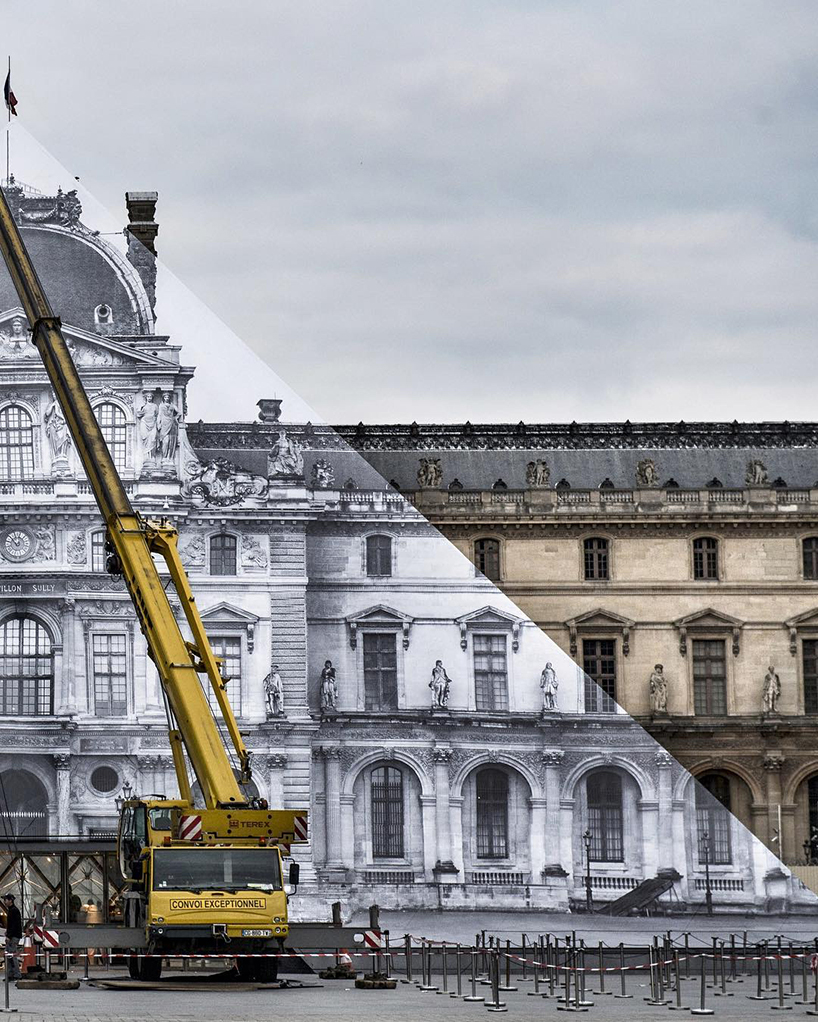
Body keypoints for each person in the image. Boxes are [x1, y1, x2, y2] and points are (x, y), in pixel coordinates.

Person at [2, 894, 22, 980]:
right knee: (9, 955)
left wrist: (9, 935)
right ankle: (11, 974)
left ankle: (16, 974)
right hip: (13, 935)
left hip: (13, 936)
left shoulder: (13, 911)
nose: (4, 902)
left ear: (10, 900)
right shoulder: (12, 910)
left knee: (12, 955)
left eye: (6, 900)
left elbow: (14, 925)